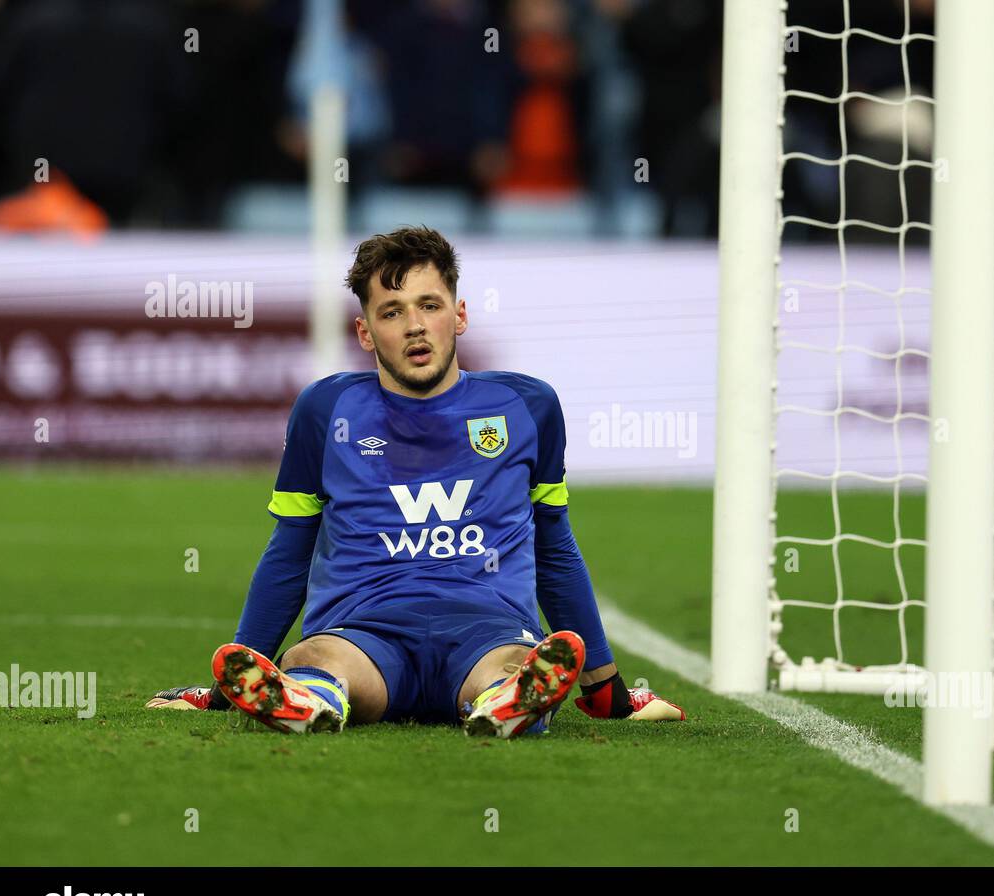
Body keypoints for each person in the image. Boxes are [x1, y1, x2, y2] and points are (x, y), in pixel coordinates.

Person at [148, 226, 683, 736]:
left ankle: (509, 700)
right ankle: (309, 700)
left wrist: (605, 687)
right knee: (313, 658)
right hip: (362, 632)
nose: (415, 326)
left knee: (517, 663)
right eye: (391, 312)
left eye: (430, 305)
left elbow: (555, 546)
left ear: (460, 314)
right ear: (365, 331)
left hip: (487, 630)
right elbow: (290, 551)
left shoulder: (528, 405)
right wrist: (229, 685)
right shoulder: (325, 409)